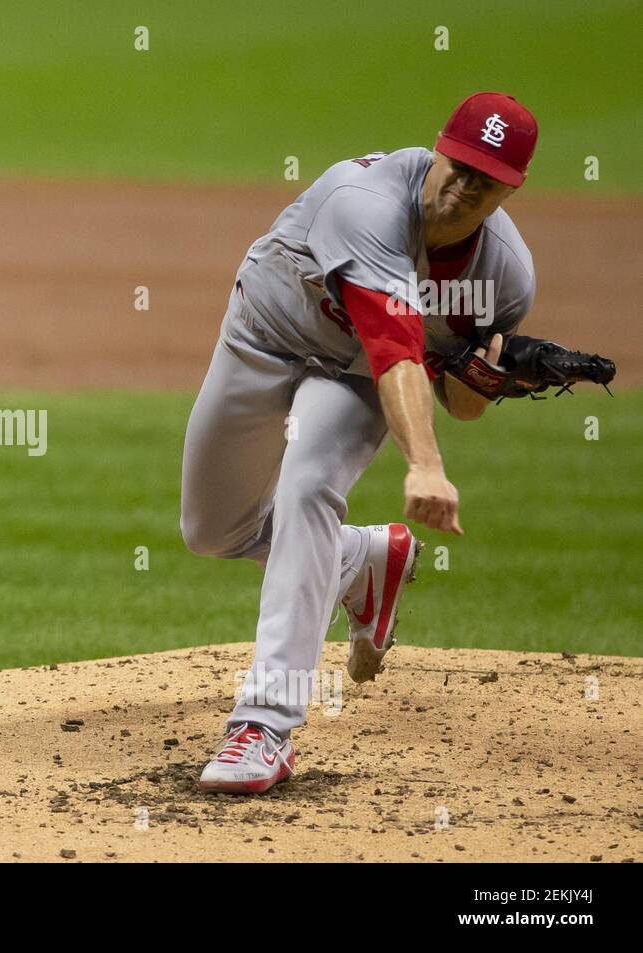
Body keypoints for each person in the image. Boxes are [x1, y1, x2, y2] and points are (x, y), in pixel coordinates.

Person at [183, 92, 538, 794]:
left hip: (352, 380)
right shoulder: (366, 200)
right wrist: (426, 467)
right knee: (212, 530)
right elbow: (396, 347)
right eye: (458, 166)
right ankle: (362, 560)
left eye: (484, 182)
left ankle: (265, 726)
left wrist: (483, 377)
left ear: (509, 191)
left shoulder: (505, 276)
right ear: (438, 148)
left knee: (309, 487)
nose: (462, 188)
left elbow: (457, 403)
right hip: (264, 336)